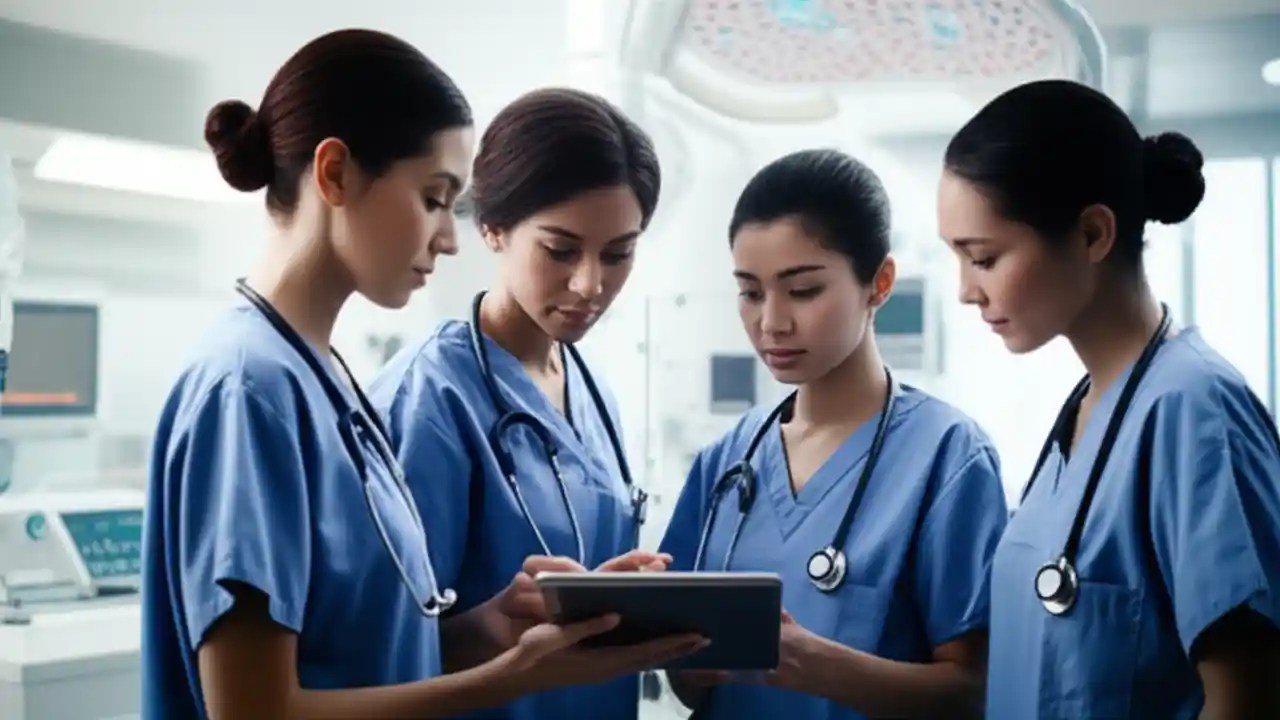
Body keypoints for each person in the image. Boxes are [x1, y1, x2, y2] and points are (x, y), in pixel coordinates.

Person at [141, 30, 701, 720]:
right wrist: (513, 676)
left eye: (619, 253)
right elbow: (253, 711)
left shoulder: (322, 382)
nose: (448, 236)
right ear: (336, 174)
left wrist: (497, 625)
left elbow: (378, 647)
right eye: (435, 199)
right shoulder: (250, 389)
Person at [937, 78, 1280, 719]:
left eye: (982, 258)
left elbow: (1248, 699)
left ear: (1093, 234)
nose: (965, 290)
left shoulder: (1192, 410)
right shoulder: (1091, 411)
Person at [659, 149, 1009, 719]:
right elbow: (692, 685)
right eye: (750, 292)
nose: (771, 321)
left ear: (880, 283)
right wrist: (688, 667)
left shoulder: (947, 457)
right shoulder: (726, 461)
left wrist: (815, 664)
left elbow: (972, 692)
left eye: (802, 291)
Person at [367, 87, 664, 720]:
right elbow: (381, 658)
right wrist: (495, 629)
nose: (591, 285)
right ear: (493, 228)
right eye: (560, 250)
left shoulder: (590, 385)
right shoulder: (431, 399)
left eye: (619, 254)